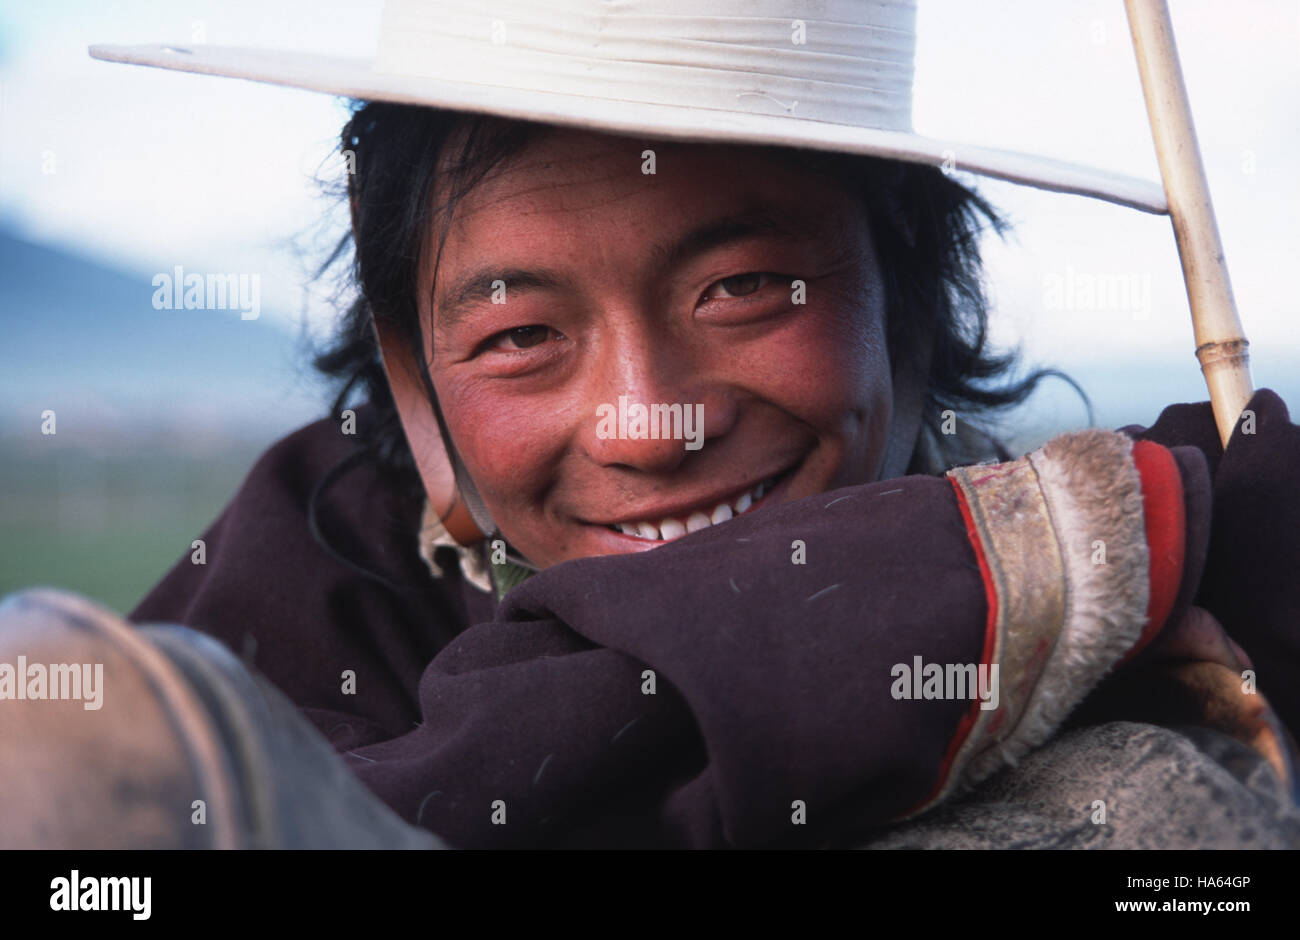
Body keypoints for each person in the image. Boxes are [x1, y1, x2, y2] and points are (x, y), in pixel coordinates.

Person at [3, 0, 1297, 849]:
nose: (645, 424)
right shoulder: (254, 642)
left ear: (913, 310)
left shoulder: (1196, 685)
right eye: (519, 336)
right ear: (414, 386)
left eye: (740, 289)